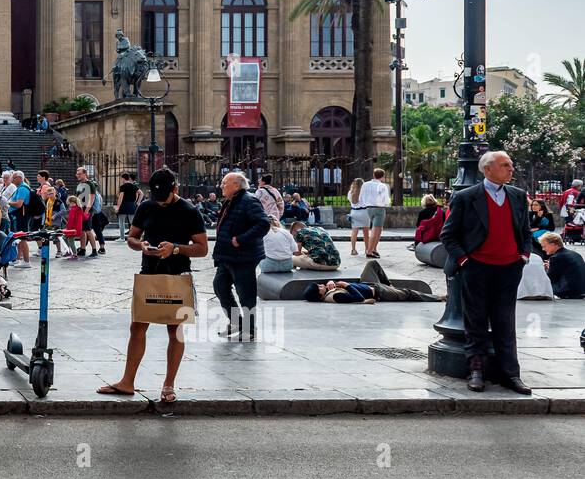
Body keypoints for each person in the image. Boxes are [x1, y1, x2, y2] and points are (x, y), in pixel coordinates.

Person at [97, 169, 208, 405]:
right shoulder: (146, 207)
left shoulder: (189, 211)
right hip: (149, 272)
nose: (160, 200)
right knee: (137, 327)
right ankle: (127, 382)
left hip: (177, 274)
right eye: (156, 196)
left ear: (175, 189)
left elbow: (202, 248)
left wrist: (176, 248)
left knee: (174, 330)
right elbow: (132, 237)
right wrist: (142, 245)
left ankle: (169, 384)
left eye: (164, 196)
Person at [439, 150, 533, 394]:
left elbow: (524, 230)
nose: (511, 169)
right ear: (487, 169)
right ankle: (476, 370)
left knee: (505, 321)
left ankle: (511, 374)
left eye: (511, 164)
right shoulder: (466, 197)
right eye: (505, 165)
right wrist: (464, 260)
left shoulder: (518, 195)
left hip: (509, 268)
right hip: (476, 267)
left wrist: (523, 255)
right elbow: (448, 234)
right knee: (476, 320)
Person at [211, 171, 269, 341]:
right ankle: (236, 322)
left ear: (236, 185)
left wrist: (241, 240)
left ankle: (250, 330)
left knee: (246, 294)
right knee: (220, 286)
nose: (221, 186)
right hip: (227, 255)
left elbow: (263, 224)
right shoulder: (232, 200)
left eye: (224, 183)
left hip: (243, 256)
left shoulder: (248, 200)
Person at [301, 280, 443, 303]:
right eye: (319, 286)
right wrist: (347, 285)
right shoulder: (336, 296)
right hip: (378, 292)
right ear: (319, 294)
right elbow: (359, 298)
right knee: (408, 293)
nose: (321, 284)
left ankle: (390, 286)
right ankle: (437, 298)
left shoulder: (329, 290)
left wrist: (330, 283)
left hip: (369, 283)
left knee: (372, 264)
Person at [540, 233, 585, 298]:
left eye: (544, 246)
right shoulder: (575, 254)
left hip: (569, 291)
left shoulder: (555, 257)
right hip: (582, 289)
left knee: (541, 282)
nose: (543, 249)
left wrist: (548, 269)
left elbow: (550, 279)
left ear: (552, 244)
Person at [359, 168, 391, 258]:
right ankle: (369, 250)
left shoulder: (365, 184)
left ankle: (374, 248)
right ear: (383, 176)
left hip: (368, 208)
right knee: (375, 229)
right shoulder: (382, 186)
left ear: (374, 175)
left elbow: (361, 197)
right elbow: (386, 199)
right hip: (379, 208)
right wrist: (387, 204)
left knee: (379, 229)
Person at [347, 177, 368, 256]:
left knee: (354, 232)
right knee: (366, 233)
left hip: (354, 212)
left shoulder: (350, 192)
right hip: (364, 212)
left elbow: (351, 201)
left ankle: (353, 249)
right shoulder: (365, 192)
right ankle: (367, 249)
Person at [115, 173, 141, 238]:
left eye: (121, 179)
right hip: (132, 206)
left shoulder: (123, 186)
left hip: (123, 206)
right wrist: (137, 202)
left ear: (123, 178)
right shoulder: (133, 186)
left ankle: (122, 238)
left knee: (121, 223)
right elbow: (141, 194)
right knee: (133, 223)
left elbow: (121, 197)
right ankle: (134, 237)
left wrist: (117, 207)